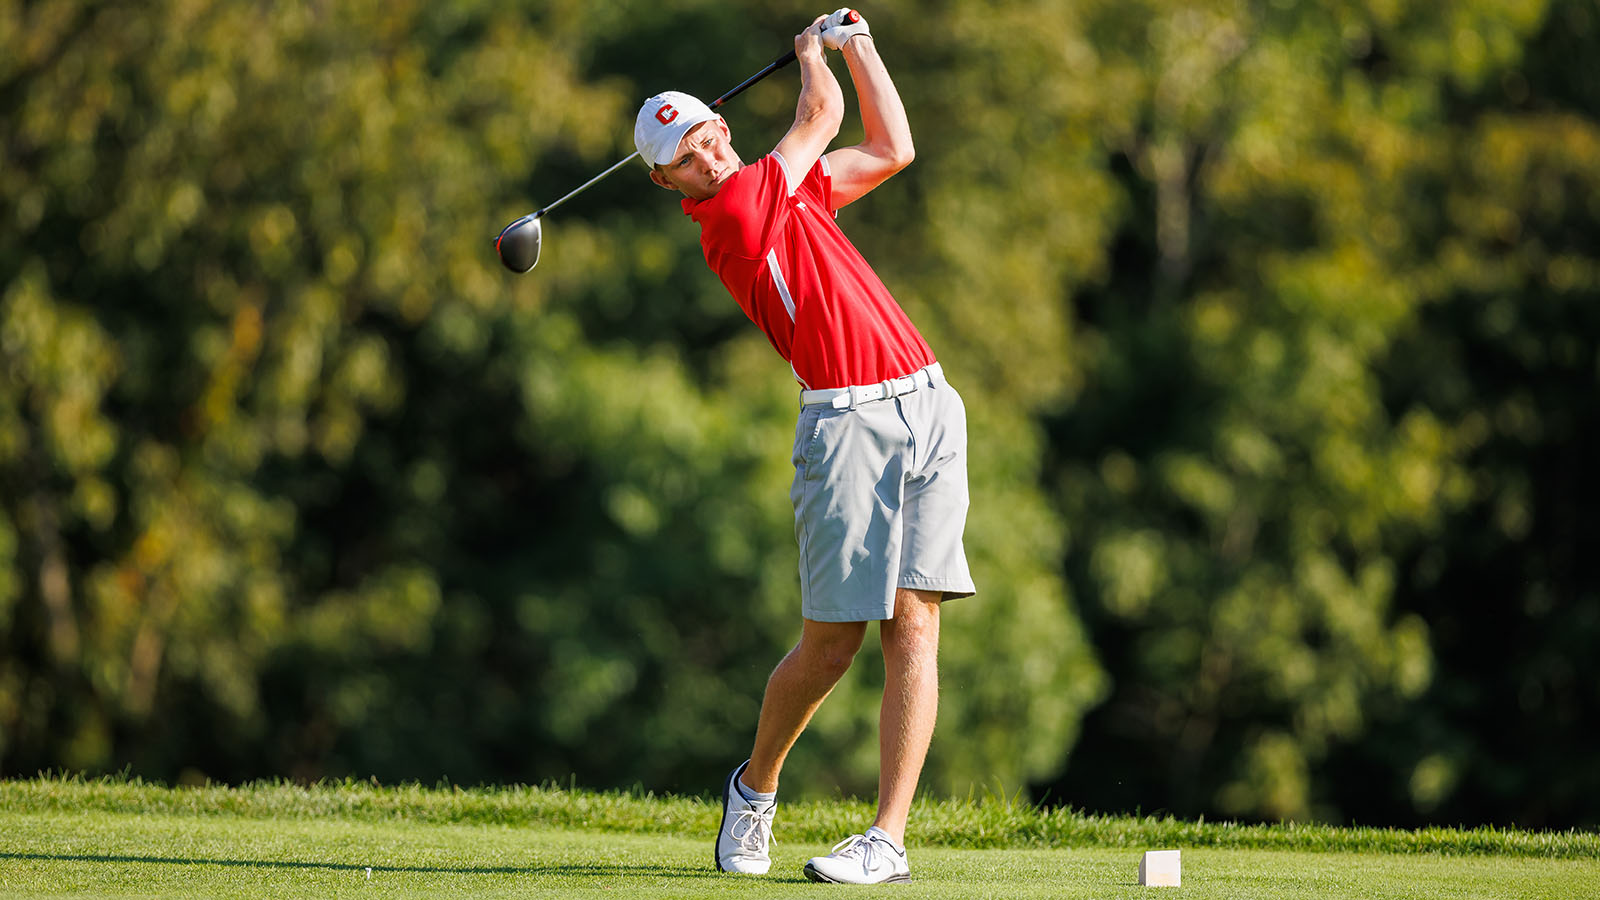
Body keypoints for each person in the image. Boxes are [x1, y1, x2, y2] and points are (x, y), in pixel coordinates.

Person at [634, 8, 974, 885]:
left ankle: (888, 840)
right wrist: (811, 52)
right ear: (669, 185)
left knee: (916, 624)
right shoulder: (734, 215)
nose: (708, 159)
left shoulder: (790, 190)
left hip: (928, 402)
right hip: (847, 427)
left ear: (721, 124)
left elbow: (892, 146)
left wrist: (862, 48)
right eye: (686, 160)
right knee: (832, 644)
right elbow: (819, 116)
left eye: (707, 138)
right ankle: (754, 790)